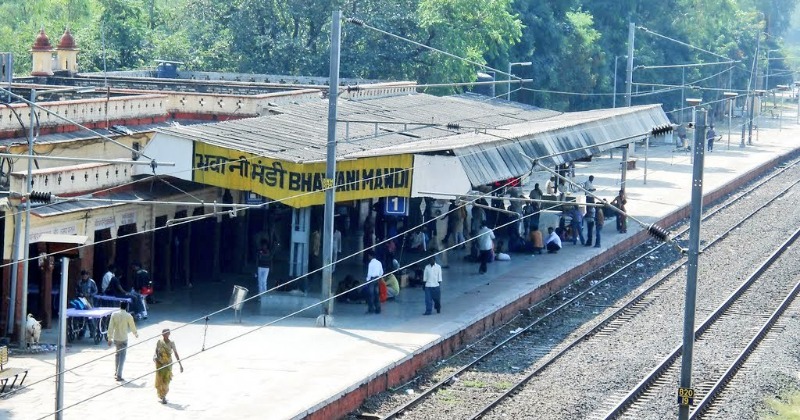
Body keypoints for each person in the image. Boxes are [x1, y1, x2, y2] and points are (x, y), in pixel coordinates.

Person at [107, 301, 138, 381]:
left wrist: (109, 338)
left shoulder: (114, 314)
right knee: (122, 357)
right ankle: (119, 375)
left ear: (119, 306)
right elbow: (132, 326)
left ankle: (116, 371)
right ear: (126, 307)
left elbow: (110, 327)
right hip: (123, 338)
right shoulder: (128, 316)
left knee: (117, 355)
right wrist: (135, 333)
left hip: (116, 338)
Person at [154, 328, 183, 404]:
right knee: (160, 379)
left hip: (168, 364)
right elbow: (156, 351)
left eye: (167, 333)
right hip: (160, 363)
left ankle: (164, 395)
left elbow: (176, 353)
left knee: (166, 380)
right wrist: (155, 357)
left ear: (169, 334)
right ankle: (162, 396)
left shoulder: (171, 343)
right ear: (162, 334)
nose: (166, 335)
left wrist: (180, 364)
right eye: (164, 334)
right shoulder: (159, 342)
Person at [364, 249, 384, 314]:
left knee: (371, 295)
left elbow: (369, 273)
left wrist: (367, 280)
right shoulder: (379, 262)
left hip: (372, 280)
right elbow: (381, 272)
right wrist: (379, 277)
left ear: (370, 256)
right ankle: (378, 309)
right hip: (377, 279)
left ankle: (371, 309)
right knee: (377, 294)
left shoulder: (371, 263)